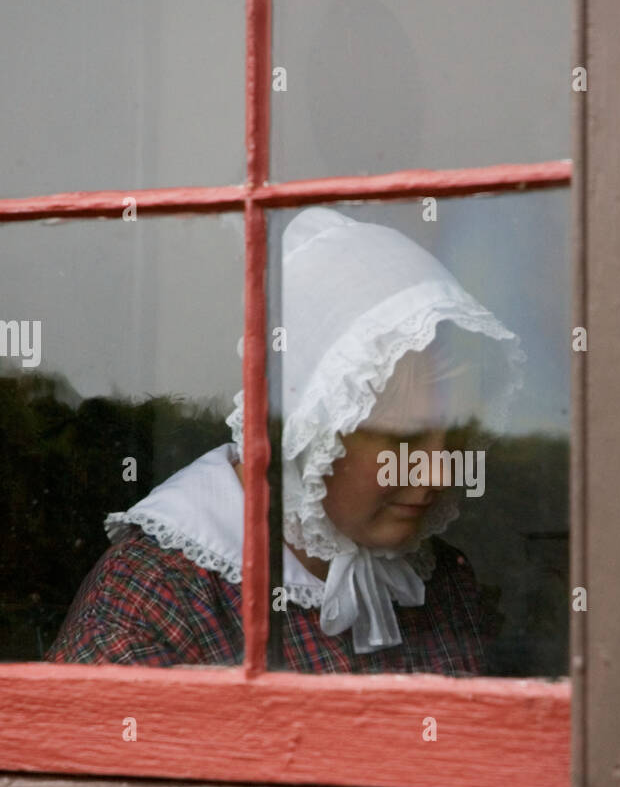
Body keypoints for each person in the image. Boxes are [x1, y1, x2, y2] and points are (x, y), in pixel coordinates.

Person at [46, 207, 523, 672]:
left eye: (457, 434)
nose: (439, 472)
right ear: (307, 430)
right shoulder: (157, 600)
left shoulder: (435, 580)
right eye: (404, 439)